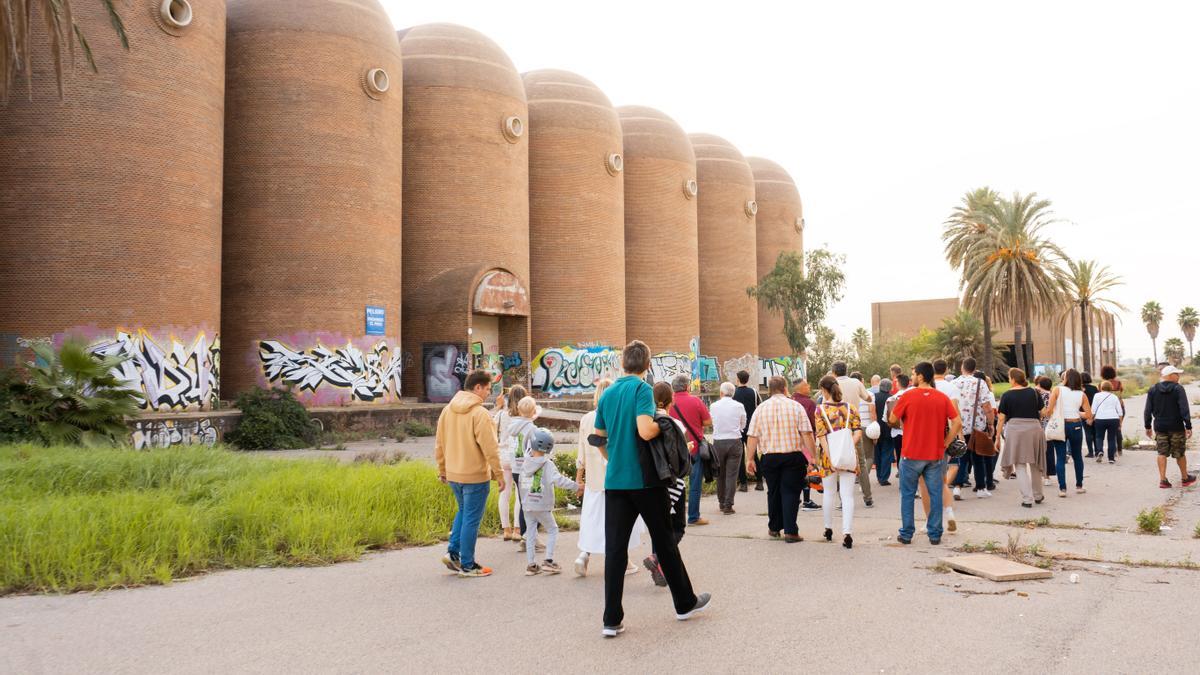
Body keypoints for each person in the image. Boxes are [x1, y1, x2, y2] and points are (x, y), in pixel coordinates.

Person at [592, 340, 709, 638]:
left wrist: (614, 459)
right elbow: (645, 429)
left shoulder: (607, 395)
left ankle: (611, 619)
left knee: (615, 551)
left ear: (622, 363)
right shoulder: (641, 390)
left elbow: (598, 438)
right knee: (665, 541)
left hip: (615, 482)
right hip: (646, 481)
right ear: (647, 365)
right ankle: (684, 603)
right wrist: (665, 424)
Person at [436, 369, 505, 578]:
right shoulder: (479, 413)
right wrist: (499, 474)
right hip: (475, 475)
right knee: (471, 519)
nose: (488, 393)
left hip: (454, 474)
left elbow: (439, 443)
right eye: (487, 389)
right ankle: (468, 564)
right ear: (477, 387)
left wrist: (442, 469)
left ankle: (453, 553)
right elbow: (491, 447)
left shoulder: (447, 410)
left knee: (463, 513)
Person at [574, 379, 642, 577]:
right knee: (620, 523)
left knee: (592, 520)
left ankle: (584, 554)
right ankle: (625, 561)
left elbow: (581, 452)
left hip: (594, 480)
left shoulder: (586, 418)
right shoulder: (617, 414)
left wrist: (579, 479)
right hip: (617, 478)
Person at [889, 361, 961, 546]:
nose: (911, 377)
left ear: (921, 376)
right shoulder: (942, 398)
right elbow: (957, 423)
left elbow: (892, 419)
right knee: (936, 493)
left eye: (913, 374)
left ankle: (906, 534)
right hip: (935, 454)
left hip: (911, 453)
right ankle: (935, 533)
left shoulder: (908, 396)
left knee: (907, 495)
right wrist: (945, 444)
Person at [746, 376, 815, 542]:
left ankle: (774, 527)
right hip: (793, 456)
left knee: (774, 491)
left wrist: (750, 458)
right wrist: (813, 457)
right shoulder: (796, 407)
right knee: (790, 492)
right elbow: (806, 433)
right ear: (785, 388)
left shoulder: (760, 409)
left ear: (769, 390)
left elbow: (752, 436)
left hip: (769, 458)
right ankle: (791, 531)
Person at [644, 381, 692, 586]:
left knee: (660, 527)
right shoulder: (673, 423)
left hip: (651, 481)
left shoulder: (645, 422)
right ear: (670, 399)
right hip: (673, 482)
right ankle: (658, 559)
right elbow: (678, 456)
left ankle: (661, 567)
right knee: (678, 526)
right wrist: (687, 447)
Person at [520, 428, 582, 575]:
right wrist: (577, 486)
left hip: (527, 505)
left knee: (531, 533)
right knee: (553, 529)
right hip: (541, 505)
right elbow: (560, 481)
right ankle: (548, 561)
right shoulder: (548, 465)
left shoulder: (525, 461)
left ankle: (531, 565)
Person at [813, 375, 863, 549]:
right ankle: (847, 532)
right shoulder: (851, 408)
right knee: (847, 495)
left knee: (829, 492)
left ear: (824, 390)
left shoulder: (820, 410)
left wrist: (832, 455)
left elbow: (822, 437)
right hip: (848, 455)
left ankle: (828, 529)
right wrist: (847, 446)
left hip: (828, 458)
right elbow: (857, 432)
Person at [996, 368, 1046, 508]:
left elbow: (1001, 419)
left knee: (1020, 465)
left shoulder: (1006, 395)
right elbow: (1043, 412)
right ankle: (1038, 495)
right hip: (1034, 429)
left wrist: (997, 436)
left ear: (1013, 379)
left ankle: (1027, 499)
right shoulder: (1034, 392)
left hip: (1015, 431)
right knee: (1035, 463)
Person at [668, 374, 712, 526]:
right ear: (687, 386)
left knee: (671, 482)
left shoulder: (668, 403)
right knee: (695, 483)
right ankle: (693, 516)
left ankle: (669, 516)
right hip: (694, 448)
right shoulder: (696, 401)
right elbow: (707, 421)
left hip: (672, 450)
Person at [1043, 368, 1094, 497]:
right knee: (1077, 456)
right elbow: (1088, 415)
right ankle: (1079, 485)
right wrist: (1077, 412)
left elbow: (1048, 411)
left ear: (1065, 378)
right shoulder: (1081, 394)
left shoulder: (1057, 390)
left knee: (1060, 457)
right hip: (1076, 425)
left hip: (1060, 425)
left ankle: (1062, 489)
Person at [1144, 365, 1196, 488]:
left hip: (1160, 426)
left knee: (1161, 452)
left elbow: (1147, 410)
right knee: (1180, 453)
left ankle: (1163, 480)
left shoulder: (1153, 389)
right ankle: (1185, 478)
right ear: (1170, 376)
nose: (1178, 376)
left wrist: (1147, 426)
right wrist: (1188, 426)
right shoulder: (1178, 389)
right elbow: (1184, 408)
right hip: (1176, 426)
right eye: (1176, 374)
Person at [832, 362, 874, 507]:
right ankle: (868, 497)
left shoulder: (833, 383)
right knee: (861, 462)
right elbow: (868, 398)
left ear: (834, 372)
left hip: (837, 428)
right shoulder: (856, 382)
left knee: (839, 463)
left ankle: (843, 500)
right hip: (854, 425)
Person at [928, 359, 962, 532]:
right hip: (945, 435)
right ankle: (949, 513)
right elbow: (955, 416)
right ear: (946, 369)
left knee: (925, 484)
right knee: (941, 480)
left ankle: (933, 522)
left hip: (927, 437)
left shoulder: (928, 387)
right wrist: (955, 438)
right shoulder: (951, 388)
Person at [506, 396, 542, 552]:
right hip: (528, 471)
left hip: (515, 469)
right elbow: (536, 451)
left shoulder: (511, 426)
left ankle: (527, 535)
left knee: (523, 503)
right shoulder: (533, 429)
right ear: (533, 411)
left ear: (519, 409)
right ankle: (529, 535)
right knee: (535, 502)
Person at [955, 358, 994, 498]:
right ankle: (981, 489)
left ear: (962, 368)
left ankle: (957, 487)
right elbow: (987, 406)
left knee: (961, 458)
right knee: (978, 458)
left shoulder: (954, 383)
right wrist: (991, 423)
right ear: (974, 369)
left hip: (958, 427)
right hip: (977, 426)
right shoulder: (980, 383)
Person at [709, 382, 748, 514]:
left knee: (720, 474)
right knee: (732, 475)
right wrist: (738, 429)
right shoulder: (739, 406)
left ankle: (721, 502)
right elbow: (743, 423)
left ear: (721, 393)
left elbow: (711, 422)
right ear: (733, 393)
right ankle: (728, 505)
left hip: (718, 441)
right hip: (734, 441)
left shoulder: (713, 406)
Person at [495, 384, 527, 541]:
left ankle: (505, 530)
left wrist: (498, 407)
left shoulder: (501, 414)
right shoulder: (524, 416)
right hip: (518, 457)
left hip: (503, 456)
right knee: (519, 494)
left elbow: (491, 428)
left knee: (504, 493)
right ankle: (517, 529)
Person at [791, 378, 820, 510]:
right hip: (806, 441)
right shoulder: (809, 403)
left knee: (795, 471)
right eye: (806, 385)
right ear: (800, 388)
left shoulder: (790, 401)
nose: (809, 387)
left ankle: (795, 498)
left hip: (792, 442)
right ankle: (807, 501)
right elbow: (815, 424)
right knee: (807, 470)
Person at [850, 371, 876, 508]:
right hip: (865, 428)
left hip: (850, 429)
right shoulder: (868, 394)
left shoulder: (844, 392)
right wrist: (875, 428)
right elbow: (873, 412)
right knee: (868, 456)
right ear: (861, 380)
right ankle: (865, 488)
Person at [732, 370, 761, 492]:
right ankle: (760, 482)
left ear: (737, 379)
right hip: (751, 428)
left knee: (740, 456)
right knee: (753, 454)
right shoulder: (754, 392)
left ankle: (743, 483)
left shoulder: (733, 393)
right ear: (747, 380)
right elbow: (759, 407)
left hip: (738, 428)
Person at [1091, 381, 1124, 465]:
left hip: (1100, 419)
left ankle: (1100, 451)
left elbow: (1093, 409)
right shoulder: (1114, 397)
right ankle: (1111, 458)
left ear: (1101, 388)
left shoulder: (1097, 396)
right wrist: (1120, 423)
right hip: (1113, 419)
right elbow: (1120, 411)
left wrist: (1091, 418)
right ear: (1110, 388)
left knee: (1099, 437)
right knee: (1112, 438)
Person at [1035, 376, 1056, 485]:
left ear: (1040, 384)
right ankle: (1048, 476)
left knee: (1038, 452)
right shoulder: (1054, 395)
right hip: (1051, 427)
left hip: (1038, 426)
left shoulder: (1037, 395)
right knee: (1049, 452)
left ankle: (1039, 474)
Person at [873, 379, 894, 485]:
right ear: (890, 388)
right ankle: (884, 477)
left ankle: (879, 475)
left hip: (876, 429)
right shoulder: (891, 398)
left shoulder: (874, 397)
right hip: (888, 429)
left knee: (877, 453)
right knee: (887, 453)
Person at [1081, 372, 1099, 458]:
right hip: (1094, 413)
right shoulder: (1094, 388)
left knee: (1088, 432)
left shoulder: (1080, 389)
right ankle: (1097, 450)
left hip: (1083, 413)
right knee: (1095, 432)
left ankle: (1090, 452)